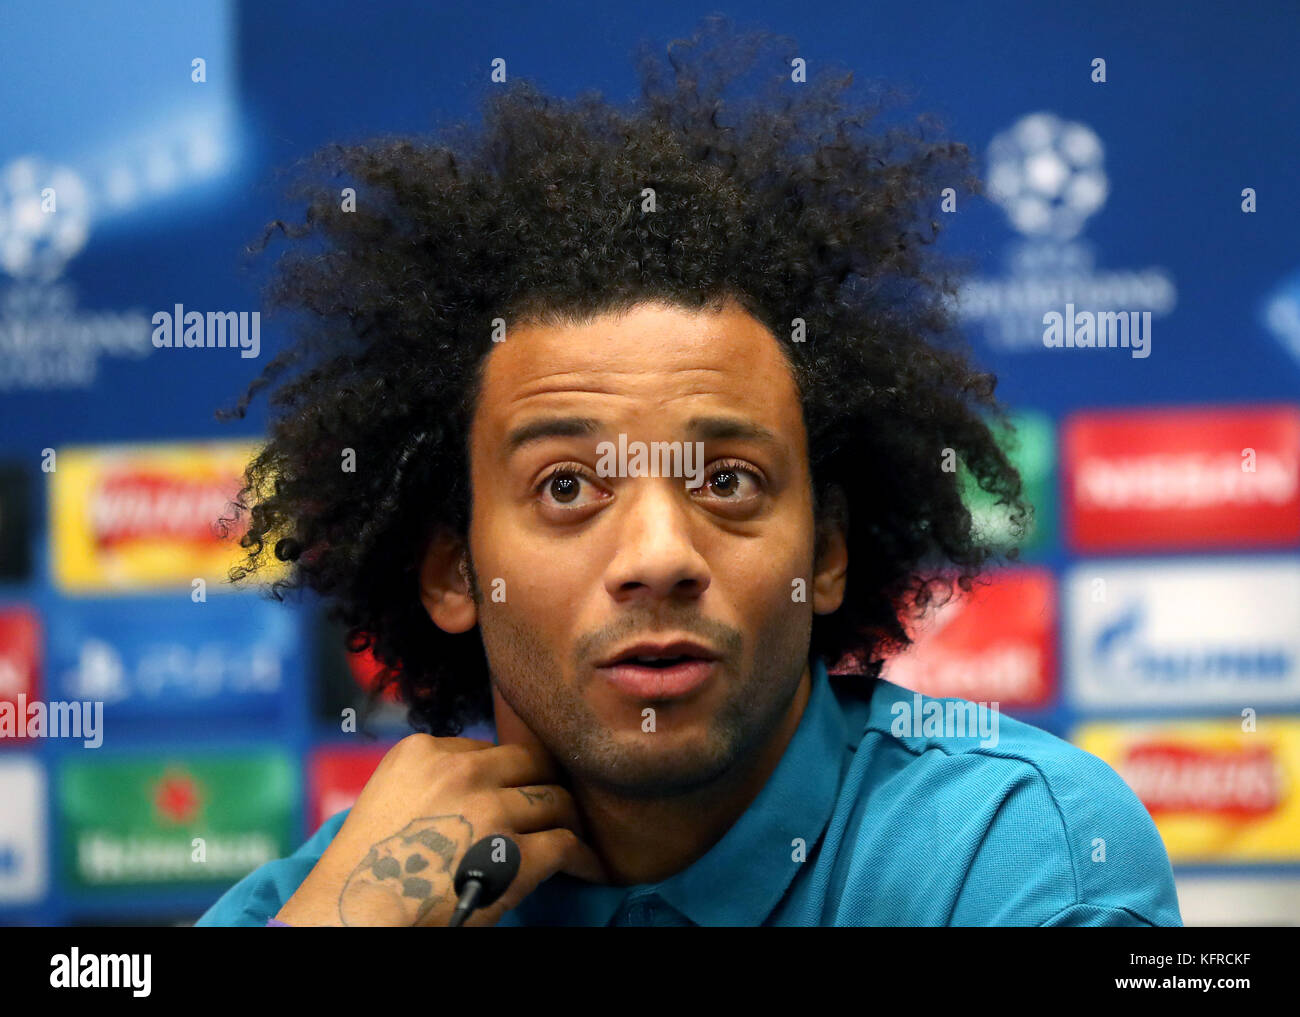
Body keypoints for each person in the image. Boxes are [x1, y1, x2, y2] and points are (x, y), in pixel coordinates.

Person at [196, 18, 1181, 927]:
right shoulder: (337, 896)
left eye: (727, 483)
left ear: (825, 551)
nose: (659, 556)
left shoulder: (1008, 850)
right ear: (454, 571)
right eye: (568, 487)